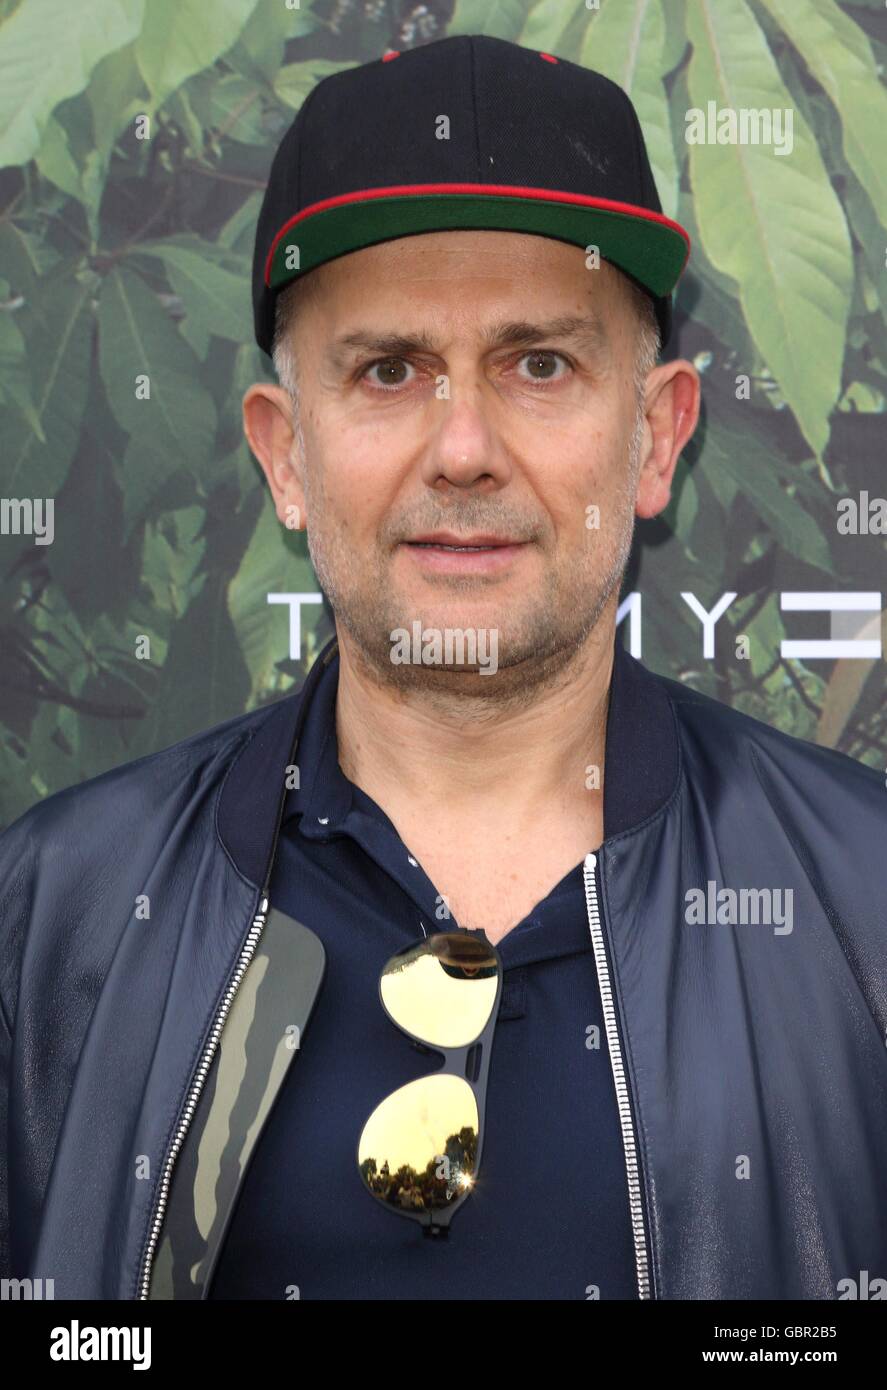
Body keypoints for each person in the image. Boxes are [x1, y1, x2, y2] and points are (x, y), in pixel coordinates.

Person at [1, 34, 885, 1303]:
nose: (461, 447)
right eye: (387, 369)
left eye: (538, 364)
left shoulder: (864, 909)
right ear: (284, 454)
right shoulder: (51, 922)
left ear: (658, 435)